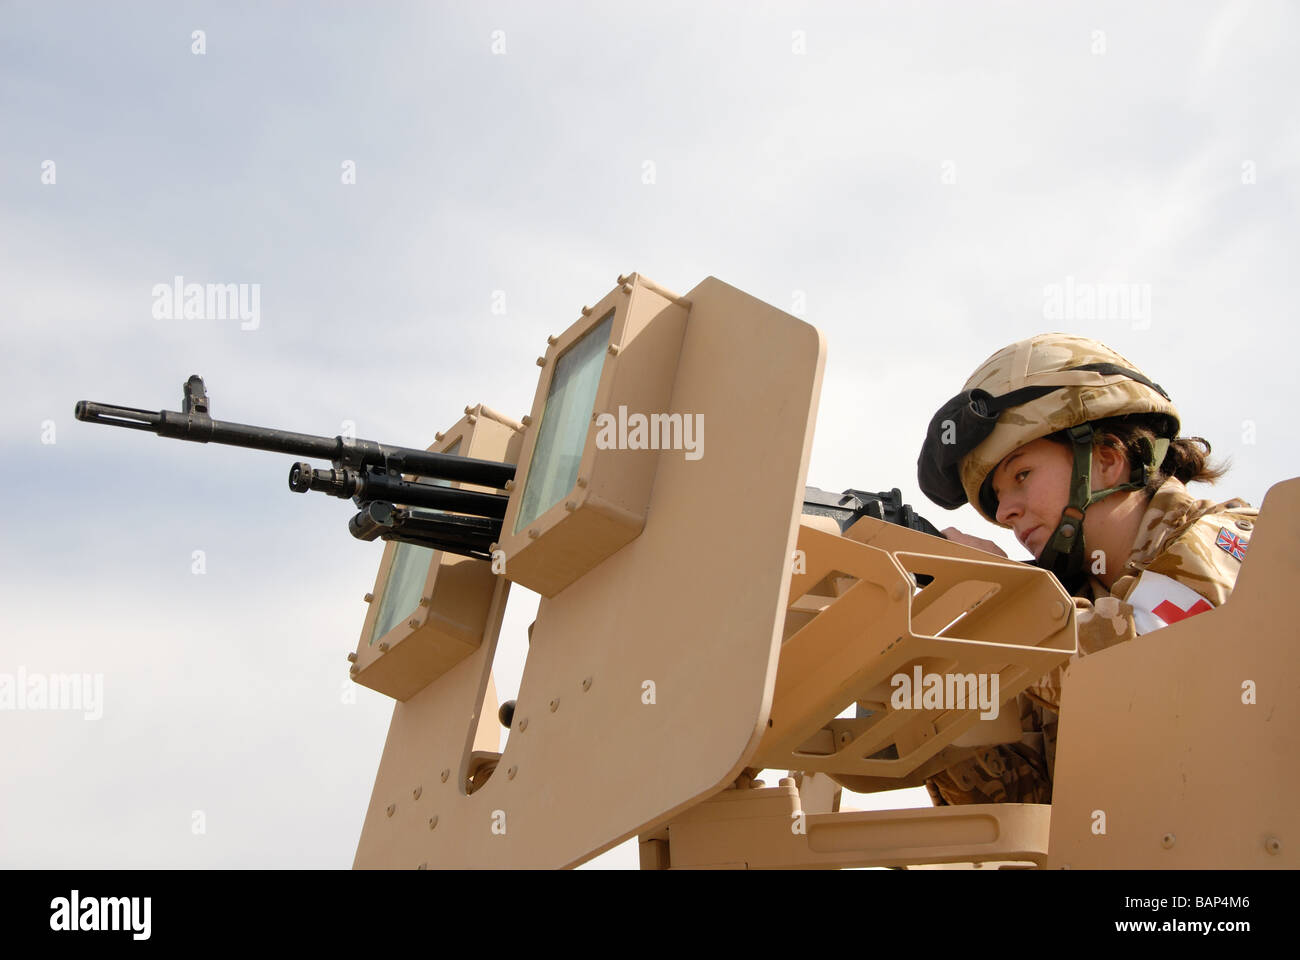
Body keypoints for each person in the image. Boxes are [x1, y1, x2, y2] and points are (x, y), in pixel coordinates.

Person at [914, 334, 1257, 805]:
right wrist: (919, 661)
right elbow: (1019, 802)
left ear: (1106, 461)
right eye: (998, 497)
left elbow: (1143, 668)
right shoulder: (1067, 614)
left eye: (1021, 475)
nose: (1004, 512)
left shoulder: (1233, 542)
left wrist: (1003, 594)